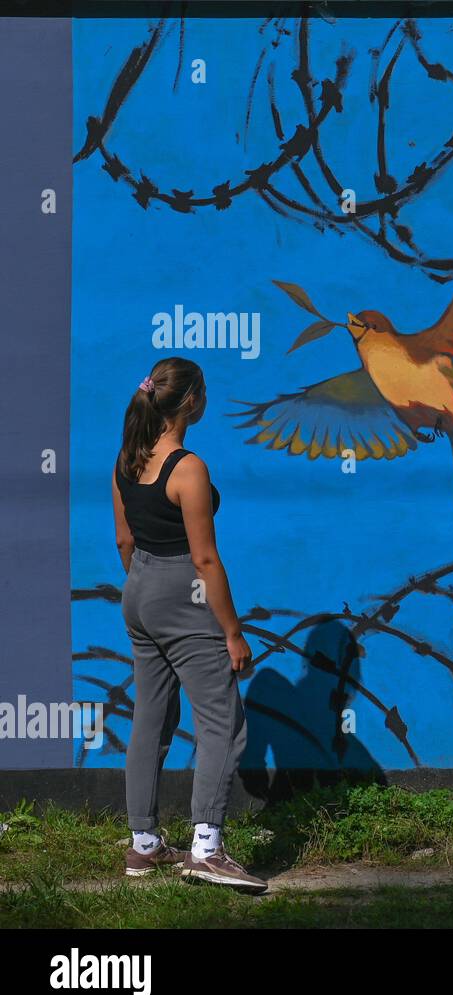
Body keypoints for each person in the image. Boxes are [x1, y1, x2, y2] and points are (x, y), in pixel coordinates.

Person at [113, 356, 267, 892]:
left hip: (138, 594)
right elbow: (205, 560)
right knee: (223, 721)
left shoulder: (127, 459)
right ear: (193, 402)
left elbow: (125, 542)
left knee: (150, 720)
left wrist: (148, 593)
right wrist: (231, 631)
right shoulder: (188, 468)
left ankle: (143, 846)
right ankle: (206, 849)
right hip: (183, 593)